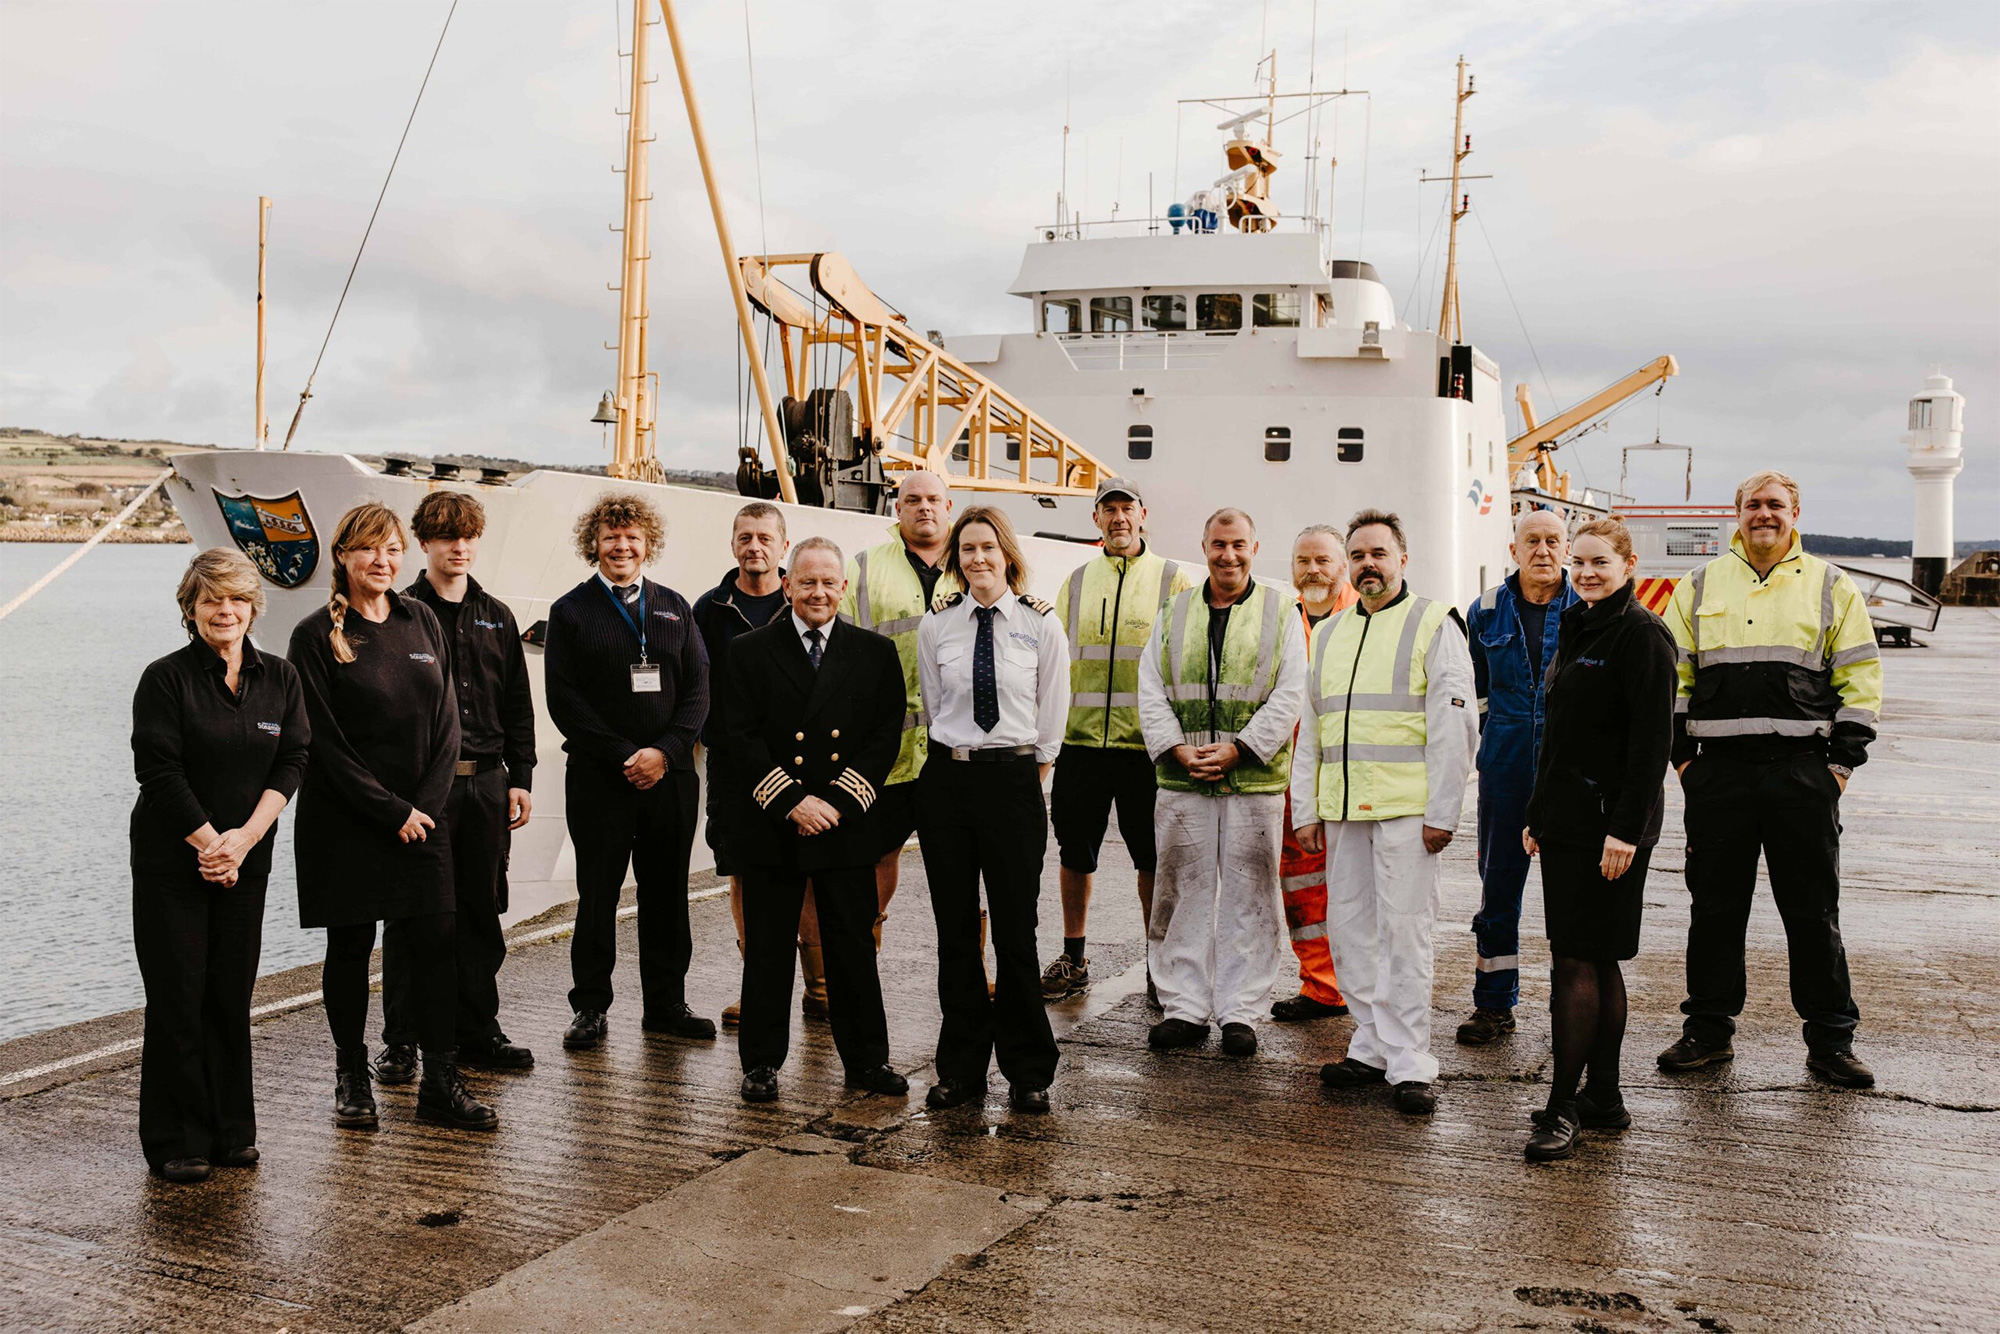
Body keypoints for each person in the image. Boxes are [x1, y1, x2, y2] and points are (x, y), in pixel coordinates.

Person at [1658, 470, 1884, 1088]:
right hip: (1719, 776)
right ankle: (1707, 1031)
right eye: (1753, 504)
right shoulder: (1700, 584)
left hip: (1801, 776)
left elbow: (1861, 681)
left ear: (1796, 512)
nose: (1764, 514)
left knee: (1813, 914)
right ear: (1736, 513)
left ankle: (1831, 1042)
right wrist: (1683, 761)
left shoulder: (1832, 586)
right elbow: (1671, 674)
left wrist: (1839, 765)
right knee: (1715, 910)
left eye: (1775, 505)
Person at [288, 503, 496, 1132]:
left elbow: (447, 723)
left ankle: (440, 1080)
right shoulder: (314, 635)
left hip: (423, 821)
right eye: (369, 550)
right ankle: (352, 1077)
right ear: (344, 557)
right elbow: (322, 741)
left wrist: (422, 809)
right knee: (350, 948)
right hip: (347, 821)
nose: (382, 561)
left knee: (437, 944)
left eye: (392, 549)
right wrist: (390, 810)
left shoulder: (422, 620)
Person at [130, 549, 310, 1183]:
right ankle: (177, 1139)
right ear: (191, 609)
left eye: (236, 599)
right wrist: (212, 845)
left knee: (230, 994)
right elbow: (158, 771)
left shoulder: (280, 678)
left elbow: (292, 761)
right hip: (173, 861)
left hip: (247, 856)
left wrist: (246, 840)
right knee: (179, 995)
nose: (225, 610)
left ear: (252, 606)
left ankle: (232, 1130)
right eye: (211, 600)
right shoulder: (165, 679)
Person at [1292, 509, 1477, 1115]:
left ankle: (1411, 1061)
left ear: (1402, 559)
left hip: (1405, 811)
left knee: (1404, 935)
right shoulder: (1334, 631)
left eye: (1380, 553)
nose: (1369, 564)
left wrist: (1444, 811)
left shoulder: (1434, 624)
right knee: (1350, 934)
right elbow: (1314, 729)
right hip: (1344, 812)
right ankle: (1371, 1045)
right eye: (1360, 555)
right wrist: (1306, 810)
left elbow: (1456, 726)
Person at [724, 537, 910, 1103]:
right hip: (774, 821)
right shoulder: (748, 651)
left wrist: (837, 801)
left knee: (852, 946)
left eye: (829, 582)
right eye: (807, 582)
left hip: (843, 821)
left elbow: (884, 737)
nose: (818, 592)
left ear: (844, 588)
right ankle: (760, 1063)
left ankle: (867, 1062)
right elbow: (738, 738)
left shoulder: (873, 653)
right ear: (787, 584)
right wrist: (791, 802)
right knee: (768, 949)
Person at [1520, 518, 1676, 1160]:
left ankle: (1563, 1105)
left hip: (1610, 829)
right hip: (1566, 822)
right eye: (1577, 562)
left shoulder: (1643, 635)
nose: (1584, 572)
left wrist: (1626, 831)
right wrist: (1537, 811)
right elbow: (1556, 735)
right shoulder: (1580, 623)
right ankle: (1603, 1098)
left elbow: (1651, 747)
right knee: (1594, 957)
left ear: (1628, 563)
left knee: (1576, 962)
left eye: (1598, 562)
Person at [375, 492, 537, 1083]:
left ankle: (478, 1029)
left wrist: (521, 778)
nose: (459, 547)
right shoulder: (399, 613)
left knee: (480, 910)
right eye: (446, 536)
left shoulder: (497, 615)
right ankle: (401, 1040)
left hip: (487, 787)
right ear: (424, 543)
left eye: (467, 536)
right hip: (424, 791)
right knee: (411, 914)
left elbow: (518, 703)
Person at [544, 492, 713, 1051]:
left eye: (632, 536)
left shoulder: (673, 606)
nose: (622, 546)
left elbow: (698, 688)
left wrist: (665, 751)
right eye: (611, 536)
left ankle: (666, 1004)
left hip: (671, 777)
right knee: (598, 894)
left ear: (648, 544)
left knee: (667, 893)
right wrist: (623, 754)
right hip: (600, 778)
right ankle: (590, 1007)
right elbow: (563, 699)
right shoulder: (570, 611)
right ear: (594, 543)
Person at [916, 505, 1069, 1113]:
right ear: (956, 558)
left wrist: (1025, 780)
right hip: (949, 784)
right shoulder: (939, 626)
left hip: (1013, 783)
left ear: (1008, 554)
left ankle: (1029, 1071)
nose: (978, 559)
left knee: (1015, 931)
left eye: (988, 548)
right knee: (956, 933)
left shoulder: (1040, 626)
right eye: (968, 549)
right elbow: (934, 705)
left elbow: (1050, 714)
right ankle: (960, 1070)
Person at [1138, 507, 1305, 1059]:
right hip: (1183, 778)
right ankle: (1183, 1007)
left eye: (1238, 545)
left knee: (1250, 895)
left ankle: (1241, 1011)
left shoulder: (1282, 613)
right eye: (1218, 544)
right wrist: (1178, 749)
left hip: (1251, 780)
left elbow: (1290, 692)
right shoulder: (1175, 611)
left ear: (1255, 548)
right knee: (1180, 892)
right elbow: (1151, 687)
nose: (1227, 555)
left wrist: (1239, 750)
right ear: (1203, 546)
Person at [1042, 478, 1195, 1003]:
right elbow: (1055, 662)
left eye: (1127, 508)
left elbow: (1185, 661)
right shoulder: (1078, 580)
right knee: (1074, 851)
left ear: (1143, 514)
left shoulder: (1173, 580)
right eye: (1109, 510)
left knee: (1151, 858)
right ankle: (1074, 957)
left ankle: (1158, 963)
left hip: (1146, 750)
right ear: (1097, 520)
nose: (1119, 519)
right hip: (1081, 745)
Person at [694, 503, 830, 1028]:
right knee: (745, 875)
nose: (755, 547)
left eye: (765, 538)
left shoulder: (803, 600)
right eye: (745, 537)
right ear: (733, 545)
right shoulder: (708, 609)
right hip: (734, 769)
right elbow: (694, 684)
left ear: (783, 546)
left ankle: (820, 989)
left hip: (802, 764)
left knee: (811, 876)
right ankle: (759, 991)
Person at [1457, 510, 1577, 1047]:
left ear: (1567, 548)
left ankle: (1570, 1004)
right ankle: (1493, 1006)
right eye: (1533, 541)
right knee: (1498, 885)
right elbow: (1472, 691)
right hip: (1504, 768)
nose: (1543, 550)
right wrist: (1496, 736)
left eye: (1553, 541)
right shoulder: (1483, 612)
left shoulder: (1589, 609)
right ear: (1514, 547)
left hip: (1571, 771)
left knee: (1571, 894)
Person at [838, 469, 958, 950]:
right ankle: (863, 958)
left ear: (949, 506)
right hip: (889, 751)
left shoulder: (976, 559)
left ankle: (973, 969)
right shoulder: (864, 567)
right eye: (913, 499)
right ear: (896, 508)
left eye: (933, 499)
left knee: (959, 863)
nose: (924, 507)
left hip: (956, 750)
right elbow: (839, 649)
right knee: (877, 854)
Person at [1272, 524, 1358, 1023]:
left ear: (1342, 565)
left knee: (1353, 888)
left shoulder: (1362, 620)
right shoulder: (1285, 619)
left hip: (1351, 778)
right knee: (1302, 885)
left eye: (1324, 560)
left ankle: (1358, 986)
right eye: (1304, 560)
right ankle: (1322, 987)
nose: (1313, 570)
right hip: (1294, 780)